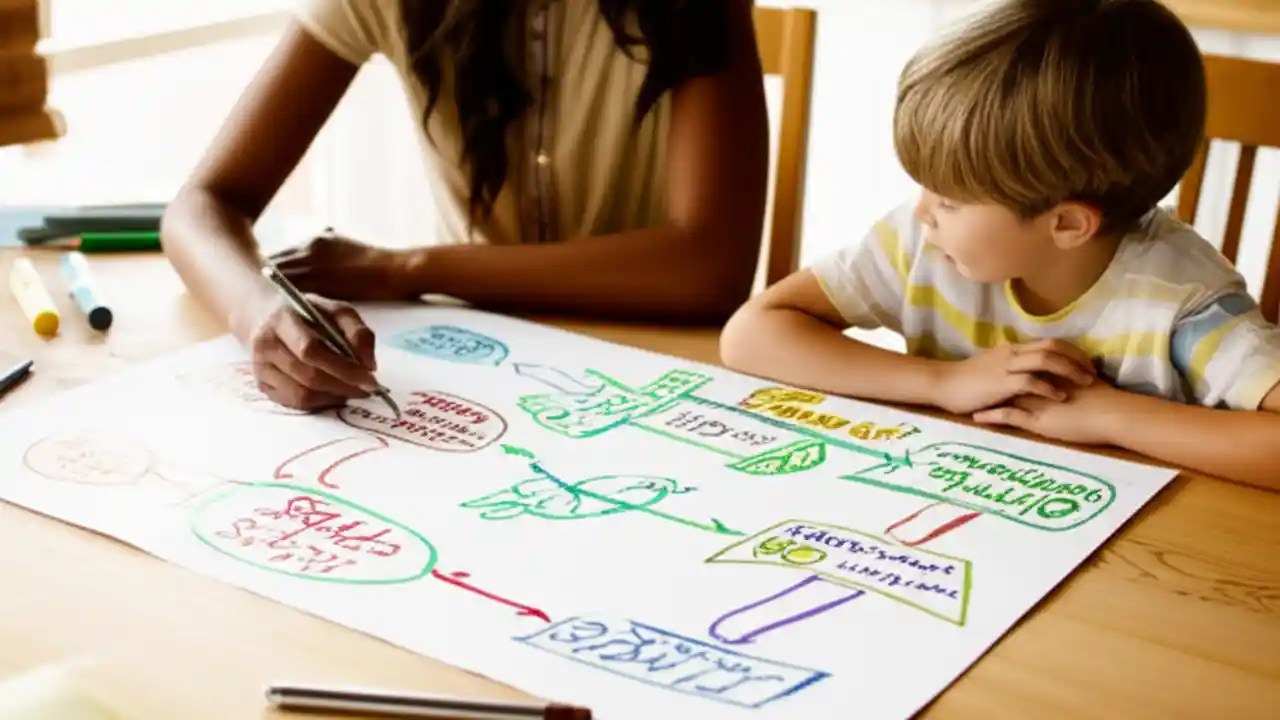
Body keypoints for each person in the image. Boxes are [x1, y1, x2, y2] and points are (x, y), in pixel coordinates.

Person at [720, 0, 1280, 490]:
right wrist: (945, 383)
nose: (922, 212)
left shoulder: (1182, 302)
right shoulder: (922, 243)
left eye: (951, 202)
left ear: (1066, 225)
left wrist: (1109, 415)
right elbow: (751, 334)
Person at [161, 0, 768, 411]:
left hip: (653, 370)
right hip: (476, 367)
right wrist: (260, 313)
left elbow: (709, 268)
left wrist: (407, 269)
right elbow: (202, 204)